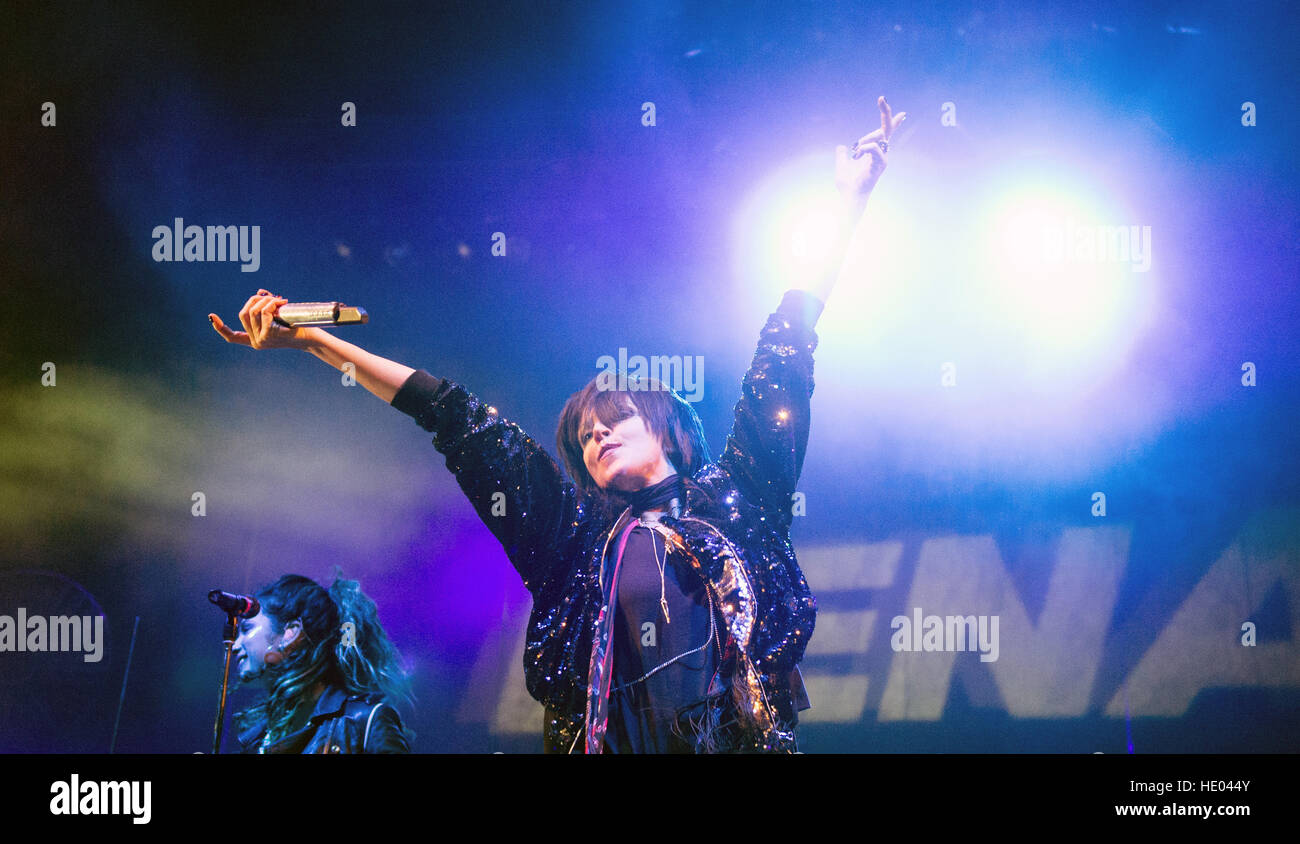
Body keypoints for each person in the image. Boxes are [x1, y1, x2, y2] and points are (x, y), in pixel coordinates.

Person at [211, 96, 905, 752]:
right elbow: (451, 415)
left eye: (613, 421)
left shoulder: (742, 497)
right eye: (583, 436)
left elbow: (785, 350)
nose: (595, 436)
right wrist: (314, 342)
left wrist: (850, 201)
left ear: (669, 429)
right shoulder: (572, 539)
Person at [230, 573, 412, 753]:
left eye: (247, 629)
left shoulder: (363, 721)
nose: (235, 645)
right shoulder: (259, 739)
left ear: (291, 633)